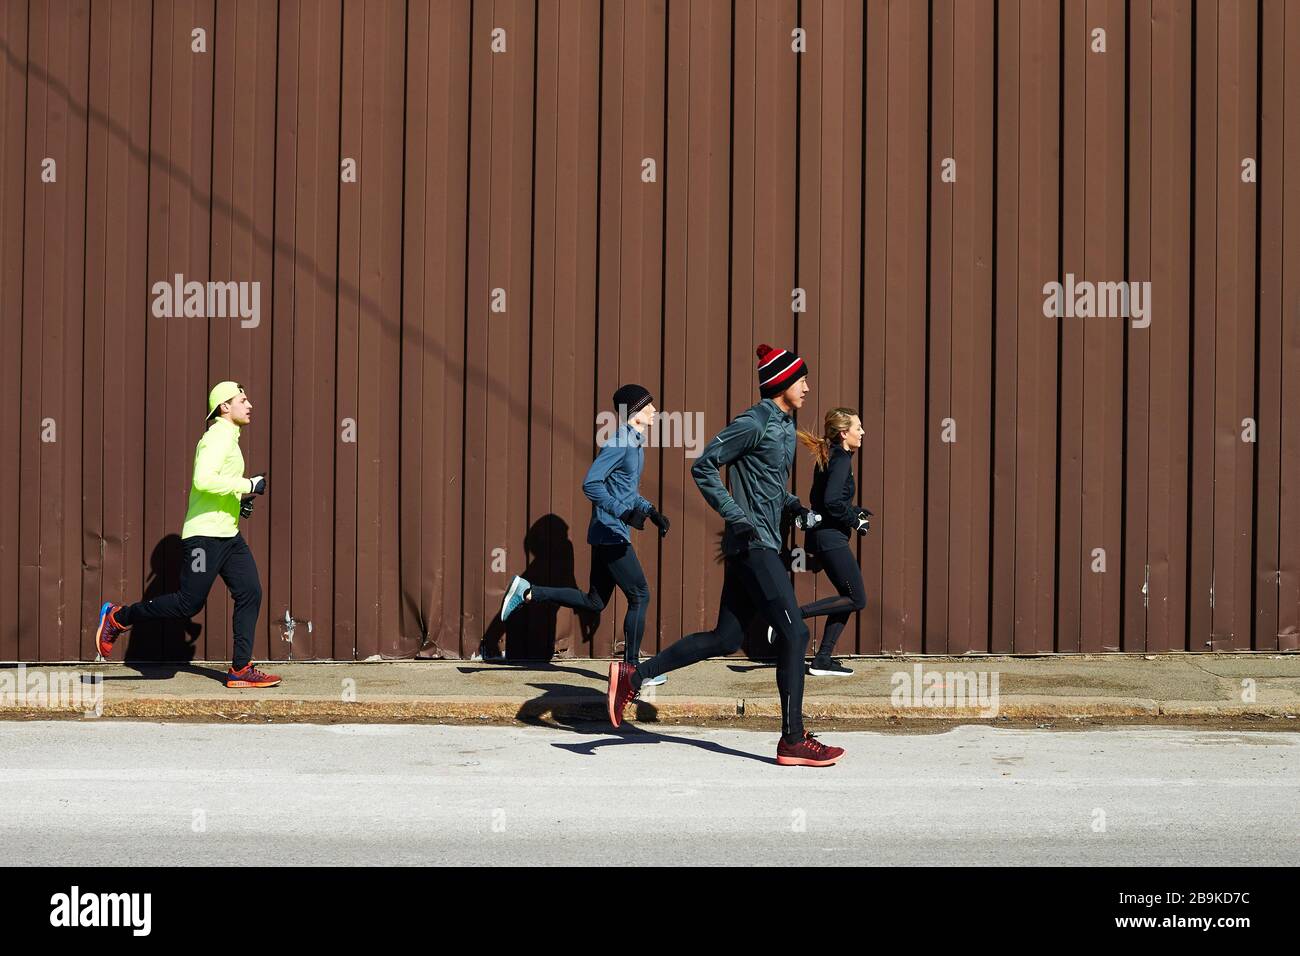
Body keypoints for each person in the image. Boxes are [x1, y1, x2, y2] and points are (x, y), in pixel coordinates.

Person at [606, 345, 845, 767]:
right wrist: (737, 516)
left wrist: (795, 508)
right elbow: (704, 466)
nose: (808, 386)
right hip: (753, 545)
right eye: (802, 379)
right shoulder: (754, 421)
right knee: (795, 634)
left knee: (725, 638)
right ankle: (791, 739)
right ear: (782, 383)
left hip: (762, 542)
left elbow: (768, 485)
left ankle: (634, 675)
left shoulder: (784, 427)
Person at [94, 382, 280, 688]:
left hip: (228, 536)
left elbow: (218, 485)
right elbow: (203, 480)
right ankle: (117, 617)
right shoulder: (216, 438)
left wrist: (239, 502)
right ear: (224, 407)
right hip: (204, 537)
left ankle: (240, 669)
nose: (250, 405)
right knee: (188, 603)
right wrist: (248, 485)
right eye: (243, 400)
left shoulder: (230, 440)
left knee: (250, 591)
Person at [500, 385, 670, 680]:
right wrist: (623, 513)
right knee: (640, 594)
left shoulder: (634, 443)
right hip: (610, 532)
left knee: (595, 601)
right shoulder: (620, 442)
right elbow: (591, 484)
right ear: (635, 411)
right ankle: (632, 672)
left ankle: (529, 591)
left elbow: (625, 490)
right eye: (649, 406)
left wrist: (651, 511)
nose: (655, 411)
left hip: (610, 532)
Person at [777, 407, 871, 677]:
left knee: (848, 598)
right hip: (830, 538)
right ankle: (793, 614)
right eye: (858, 428)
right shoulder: (841, 458)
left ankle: (822, 659)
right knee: (857, 598)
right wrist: (855, 521)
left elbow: (826, 499)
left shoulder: (832, 455)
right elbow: (830, 501)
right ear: (844, 433)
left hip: (826, 536)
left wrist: (855, 511)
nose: (862, 432)